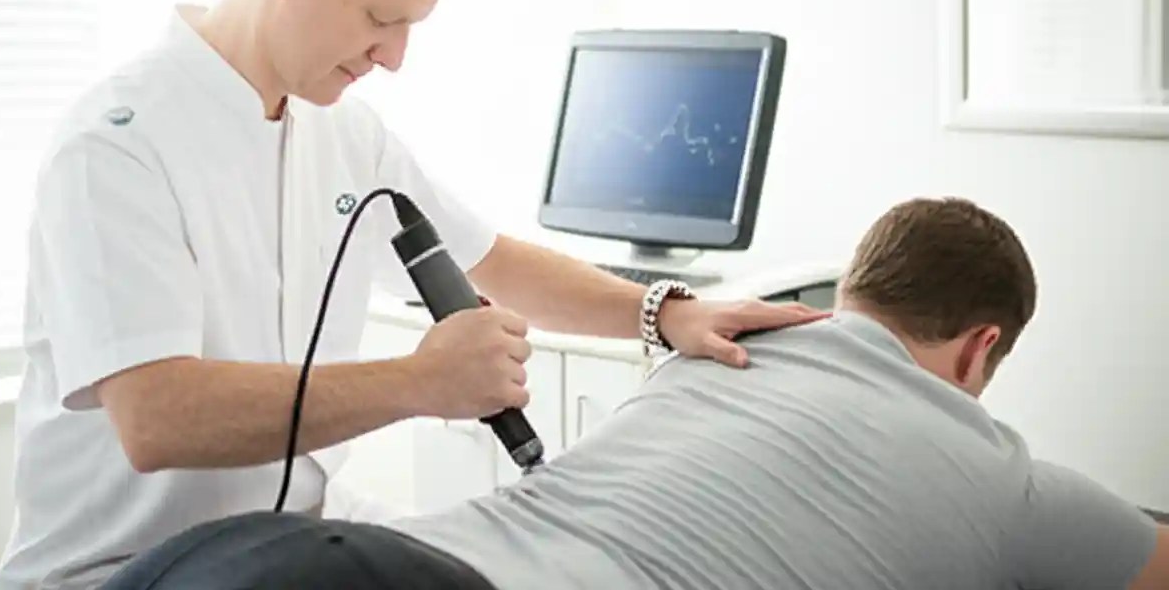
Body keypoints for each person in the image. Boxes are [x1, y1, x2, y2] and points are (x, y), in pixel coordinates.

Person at [0, 0, 829, 587]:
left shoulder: (341, 134)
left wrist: (666, 313)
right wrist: (418, 382)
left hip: (283, 539)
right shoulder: (116, 147)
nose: (392, 58)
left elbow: (491, 259)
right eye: (379, 19)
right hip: (124, 568)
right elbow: (158, 418)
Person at [97, 196, 1168, 590]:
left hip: (259, 554)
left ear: (849, 292)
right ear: (979, 351)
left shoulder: (712, 349)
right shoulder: (1001, 476)